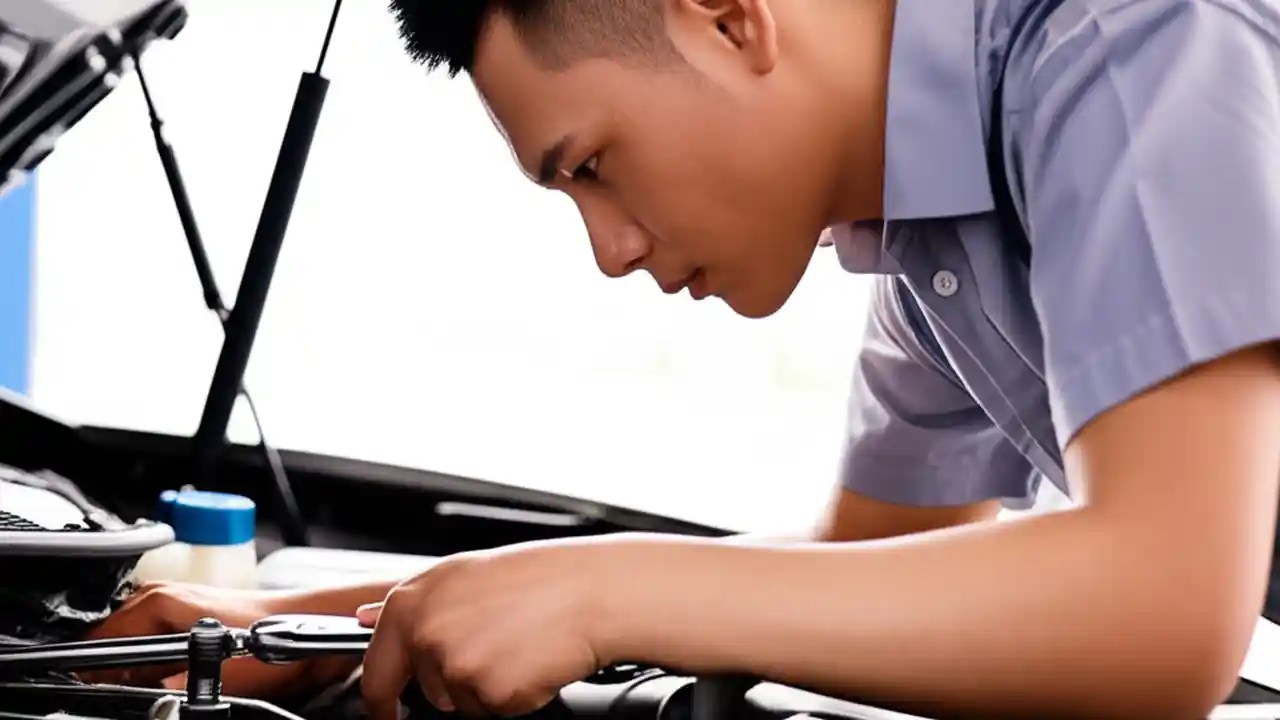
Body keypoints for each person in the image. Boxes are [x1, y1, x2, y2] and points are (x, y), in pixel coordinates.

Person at [84, 0, 1280, 716]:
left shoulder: (1122, 44)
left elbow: (1163, 617)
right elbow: (882, 560)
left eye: (589, 164)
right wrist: (291, 628)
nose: (605, 251)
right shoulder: (927, 218)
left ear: (725, 15)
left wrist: (606, 595)